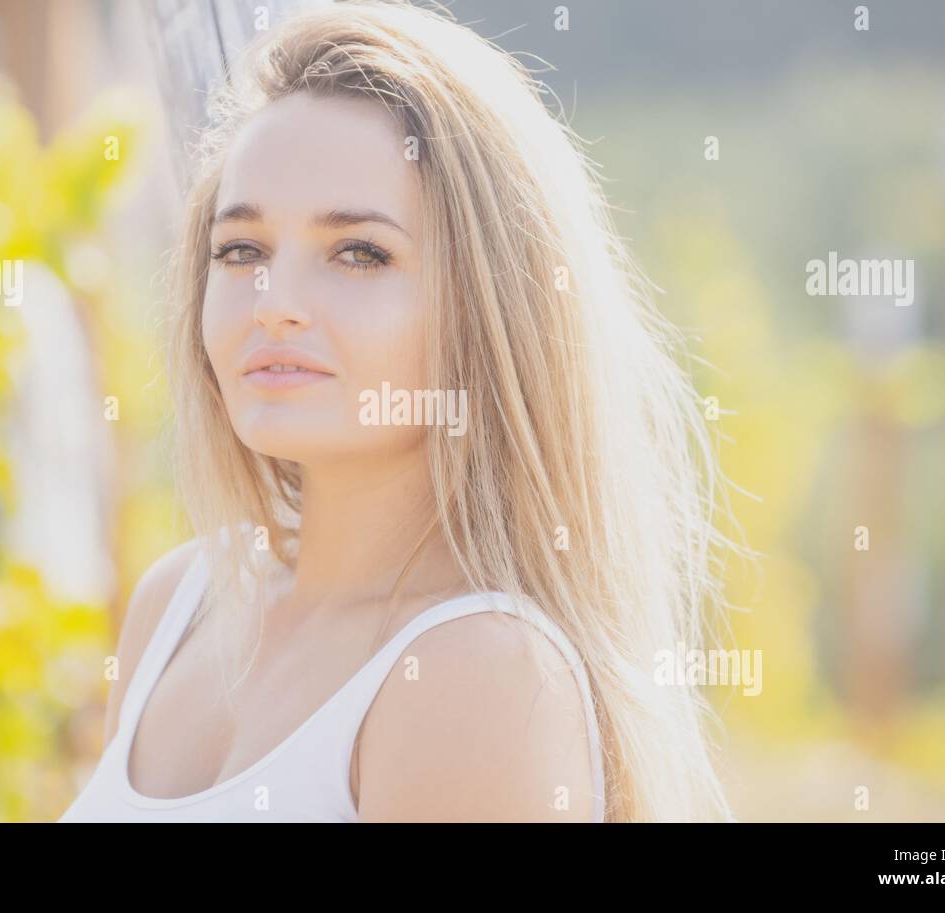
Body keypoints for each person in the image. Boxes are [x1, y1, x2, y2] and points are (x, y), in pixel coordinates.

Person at [60, 0, 734, 823]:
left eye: (359, 253)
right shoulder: (180, 602)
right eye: (243, 249)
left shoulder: (483, 671)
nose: (275, 303)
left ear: (487, 307)